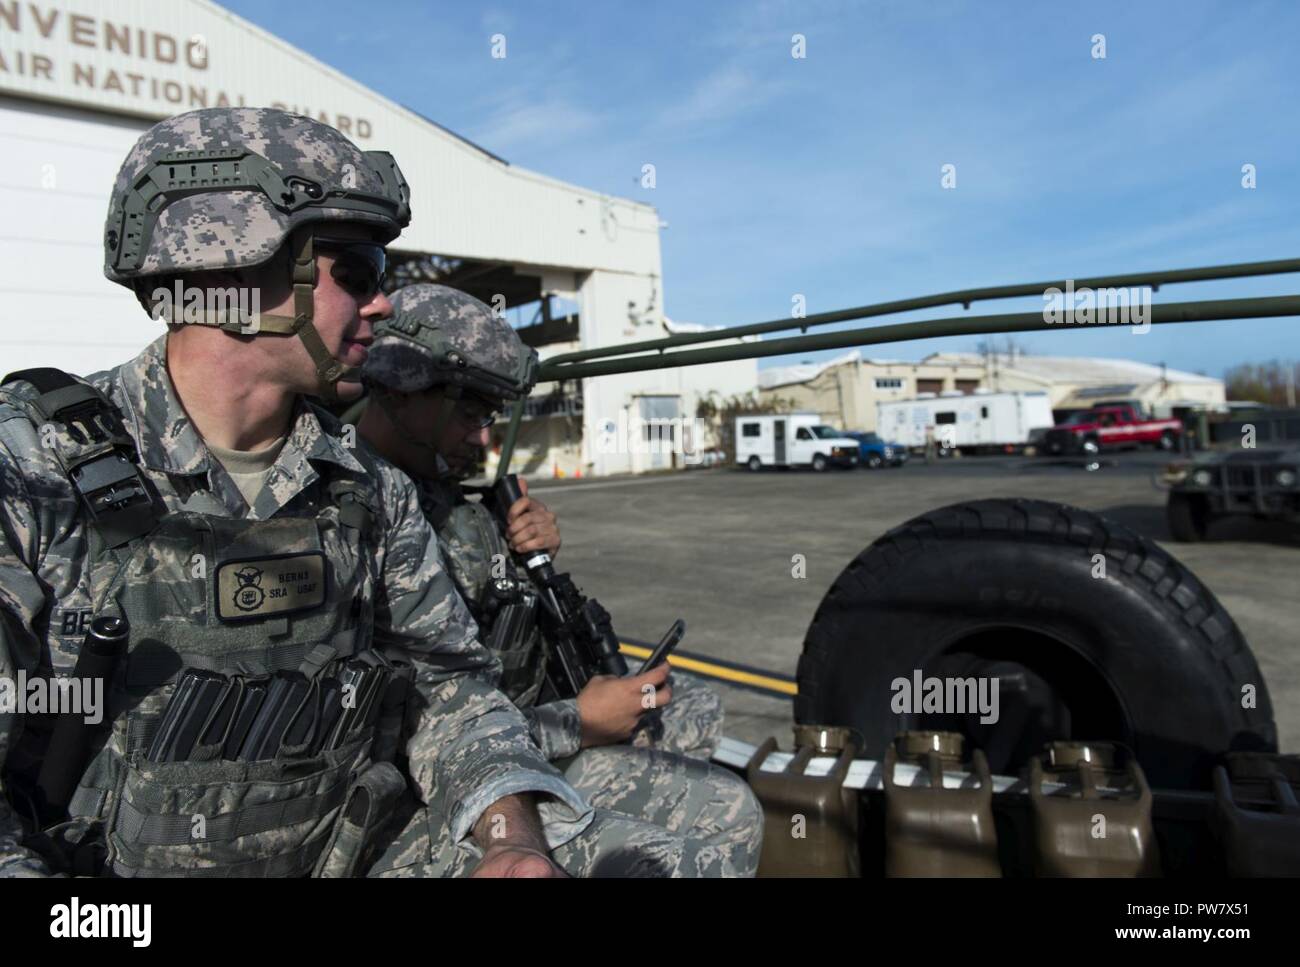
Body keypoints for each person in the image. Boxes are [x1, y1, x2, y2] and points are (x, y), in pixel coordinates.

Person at [0, 108, 590, 878]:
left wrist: (509, 834)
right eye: (359, 272)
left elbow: (450, 685)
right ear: (235, 263)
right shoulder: (32, 466)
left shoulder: (368, 488)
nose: (382, 304)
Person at [352, 283, 763, 877]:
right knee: (719, 814)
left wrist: (529, 550)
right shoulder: (357, 512)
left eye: (489, 418)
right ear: (398, 390)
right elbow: (414, 730)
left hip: (512, 732)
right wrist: (577, 722)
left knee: (694, 708)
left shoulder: (452, 504)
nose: (484, 438)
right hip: (446, 780)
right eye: (469, 413)